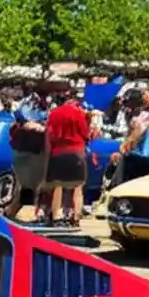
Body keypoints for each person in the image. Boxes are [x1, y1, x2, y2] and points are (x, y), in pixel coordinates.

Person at [44, 91, 92, 227]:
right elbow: (85, 134)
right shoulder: (78, 113)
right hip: (76, 152)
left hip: (57, 152)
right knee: (78, 186)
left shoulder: (53, 113)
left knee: (57, 185)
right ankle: (75, 216)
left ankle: (56, 216)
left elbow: (48, 134)